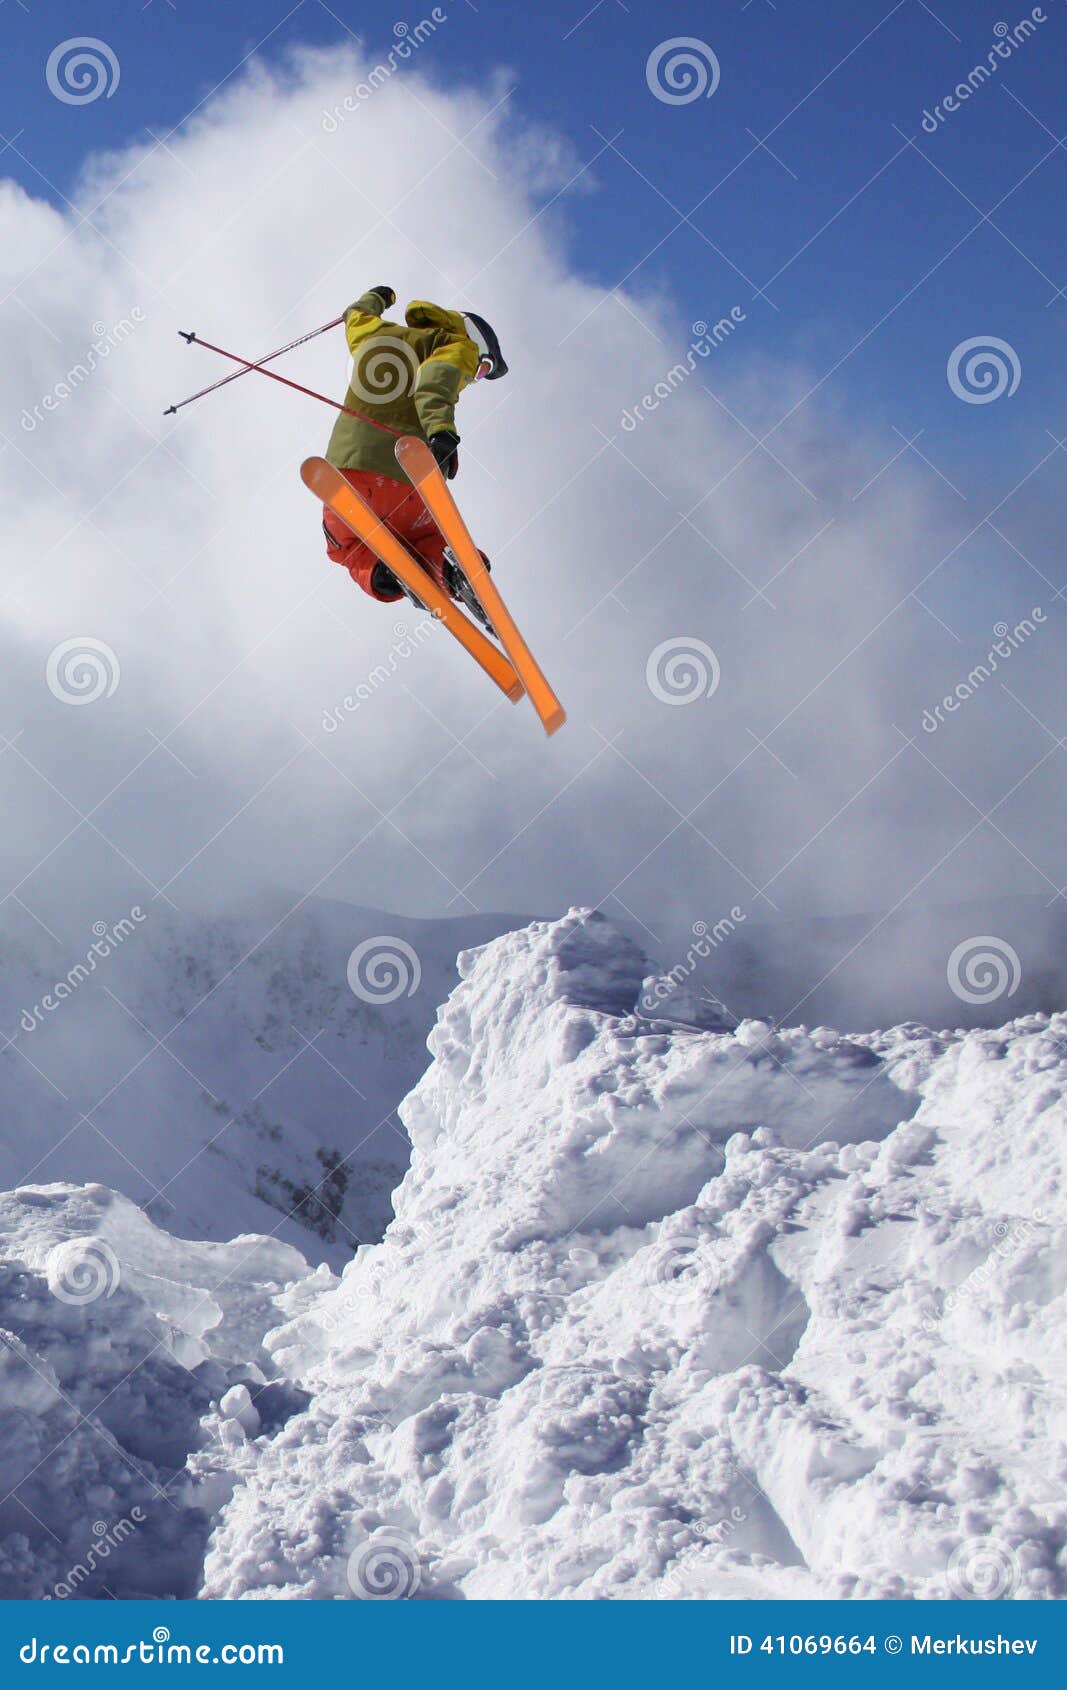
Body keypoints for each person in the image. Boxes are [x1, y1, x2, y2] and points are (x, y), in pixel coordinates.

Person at [321, 286, 507, 603]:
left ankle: (383, 573)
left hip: (343, 479)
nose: (475, 376)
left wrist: (378, 298)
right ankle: (453, 571)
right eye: (483, 368)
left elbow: (355, 316)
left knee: (346, 544)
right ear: (473, 337)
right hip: (399, 478)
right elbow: (433, 381)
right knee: (426, 536)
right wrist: (441, 432)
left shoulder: (376, 332)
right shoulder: (457, 344)